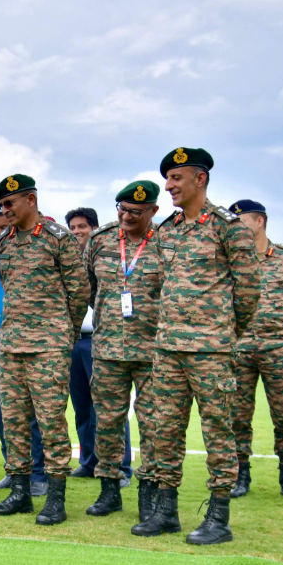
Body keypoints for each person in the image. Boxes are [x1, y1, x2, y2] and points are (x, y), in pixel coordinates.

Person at [132, 148, 260, 545]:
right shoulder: (166, 230)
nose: (169, 186)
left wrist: (223, 333)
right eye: (167, 179)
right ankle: (166, 511)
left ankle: (218, 517)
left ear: (200, 179)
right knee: (163, 431)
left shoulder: (228, 227)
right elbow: (158, 286)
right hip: (168, 348)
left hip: (211, 350)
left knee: (219, 433)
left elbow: (250, 291)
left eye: (176, 178)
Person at [0, 175, 89, 525]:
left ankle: (56, 497)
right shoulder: (4, 241)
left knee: (50, 422)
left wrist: (64, 333)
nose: (5, 210)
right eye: (2, 205)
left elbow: (80, 291)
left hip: (49, 346)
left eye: (10, 203)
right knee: (14, 422)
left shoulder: (58, 238)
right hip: (12, 344)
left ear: (30, 199)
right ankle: (19, 492)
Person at [228, 199, 283, 502]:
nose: (235, 228)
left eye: (241, 221)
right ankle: (241, 475)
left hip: (279, 348)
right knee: (238, 416)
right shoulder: (230, 259)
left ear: (259, 222)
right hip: (239, 348)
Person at [83, 181, 163, 523]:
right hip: (108, 348)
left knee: (155, 425)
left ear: (153, 211)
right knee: (108, 422)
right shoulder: (100, 240)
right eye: (122, 209)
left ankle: (150, 495)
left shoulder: (166, 240)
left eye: (135, 212)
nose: (126, 216)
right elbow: (88, 287)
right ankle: (109, 490)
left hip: (154, 350)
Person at [66, 207, 134, 482]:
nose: (77, 232)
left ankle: (122, 467)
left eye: (82, 226)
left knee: (108, 409)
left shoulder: (110, 256)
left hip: (101, 342)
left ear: (93, 229)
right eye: (72, 227)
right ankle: (88, 461)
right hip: (74, 341)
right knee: (82, 408)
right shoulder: (68, 259)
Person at [0, 208, 48, 497]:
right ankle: (14, 470)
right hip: (1, 339)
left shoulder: (41, 252)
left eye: (3, 227)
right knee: (5, 410)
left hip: (33, 340)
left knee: (33, 411)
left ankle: (38, 473)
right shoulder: (1, 256)